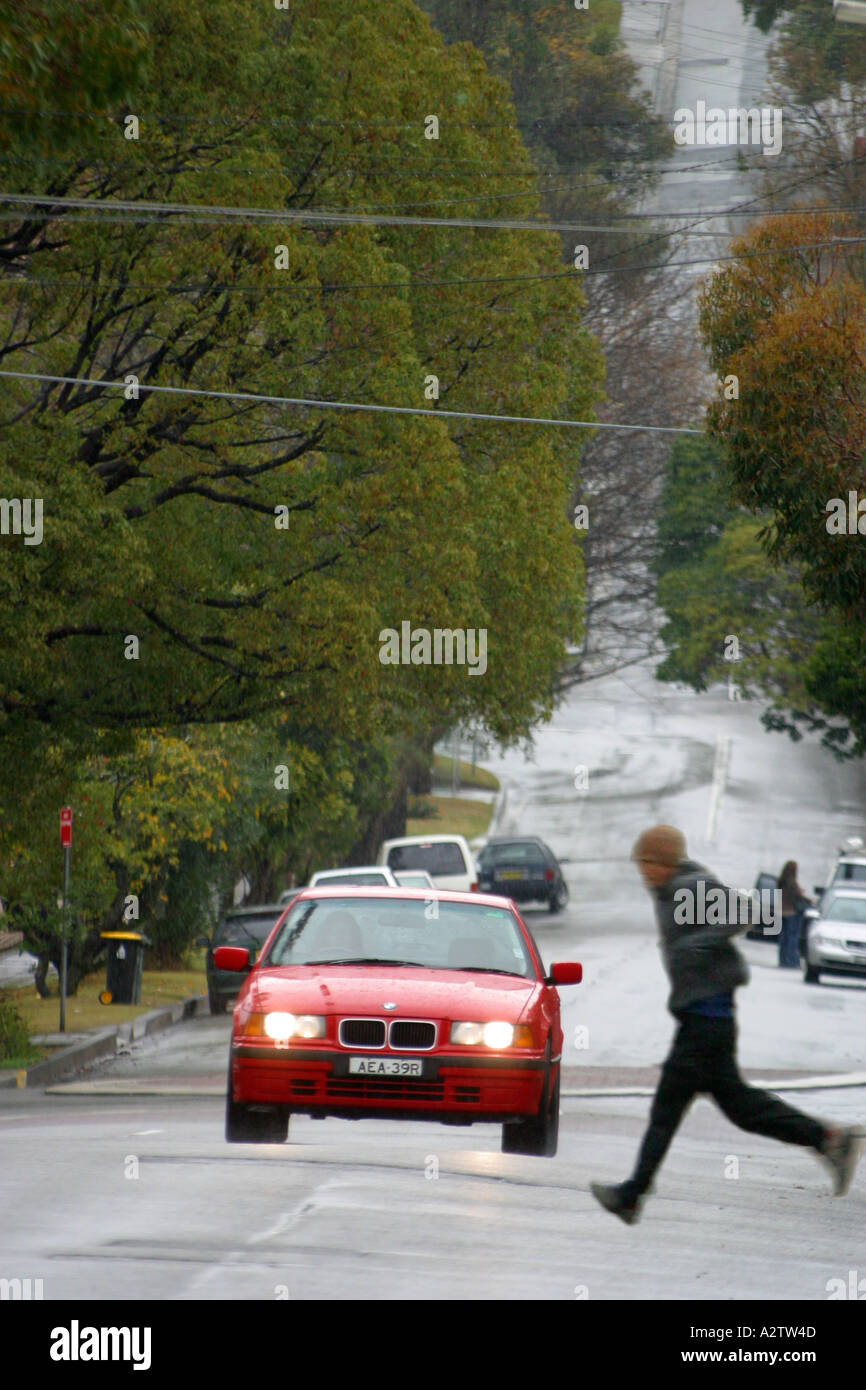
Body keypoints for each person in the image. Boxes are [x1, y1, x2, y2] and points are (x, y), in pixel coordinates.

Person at [591, 825, 864, 1225]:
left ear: (664, 860)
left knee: (669, 1109)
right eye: (641, 863)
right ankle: (830, 1140)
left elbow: (754, 911)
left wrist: (701, 941)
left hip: (706, 1021)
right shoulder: (669, 891)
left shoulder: (691, 887)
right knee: (741, 1108)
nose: (643, 871)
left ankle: (632, 1195)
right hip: (704, 1020)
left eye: (647, 862)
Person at [778, 860, 809, 969]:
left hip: (782, 912)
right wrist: (809, 900)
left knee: (783, 937)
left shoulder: (781, 881)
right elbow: (797, 896)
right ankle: (792, 961)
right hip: (792, 913)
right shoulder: (792, 882)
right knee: (792, 937)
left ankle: (782, 959)